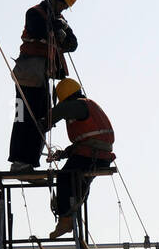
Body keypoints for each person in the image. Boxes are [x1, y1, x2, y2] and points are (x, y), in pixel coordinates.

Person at [8, 0, 79, 172]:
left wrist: (60, 28)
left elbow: (73, 44)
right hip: (28, 74)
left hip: (40, 76)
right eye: (63, 4)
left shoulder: (59, 19)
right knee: (24, 116)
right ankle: (19, 160)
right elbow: (39, 30)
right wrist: (55, 28)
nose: (64, 8)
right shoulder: (35, 13)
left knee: (42, 117)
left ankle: (28, 161)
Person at [44, 78, 116, 239]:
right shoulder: (86, 107)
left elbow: (61, 110)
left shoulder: (79, 105)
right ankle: (69, 217)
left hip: (91, 155)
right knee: (78, 184)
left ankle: (65, 219)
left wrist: (42, 123)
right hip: (95, 155)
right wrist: (64, 154)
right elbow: (87, 139)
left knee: (65, 177)